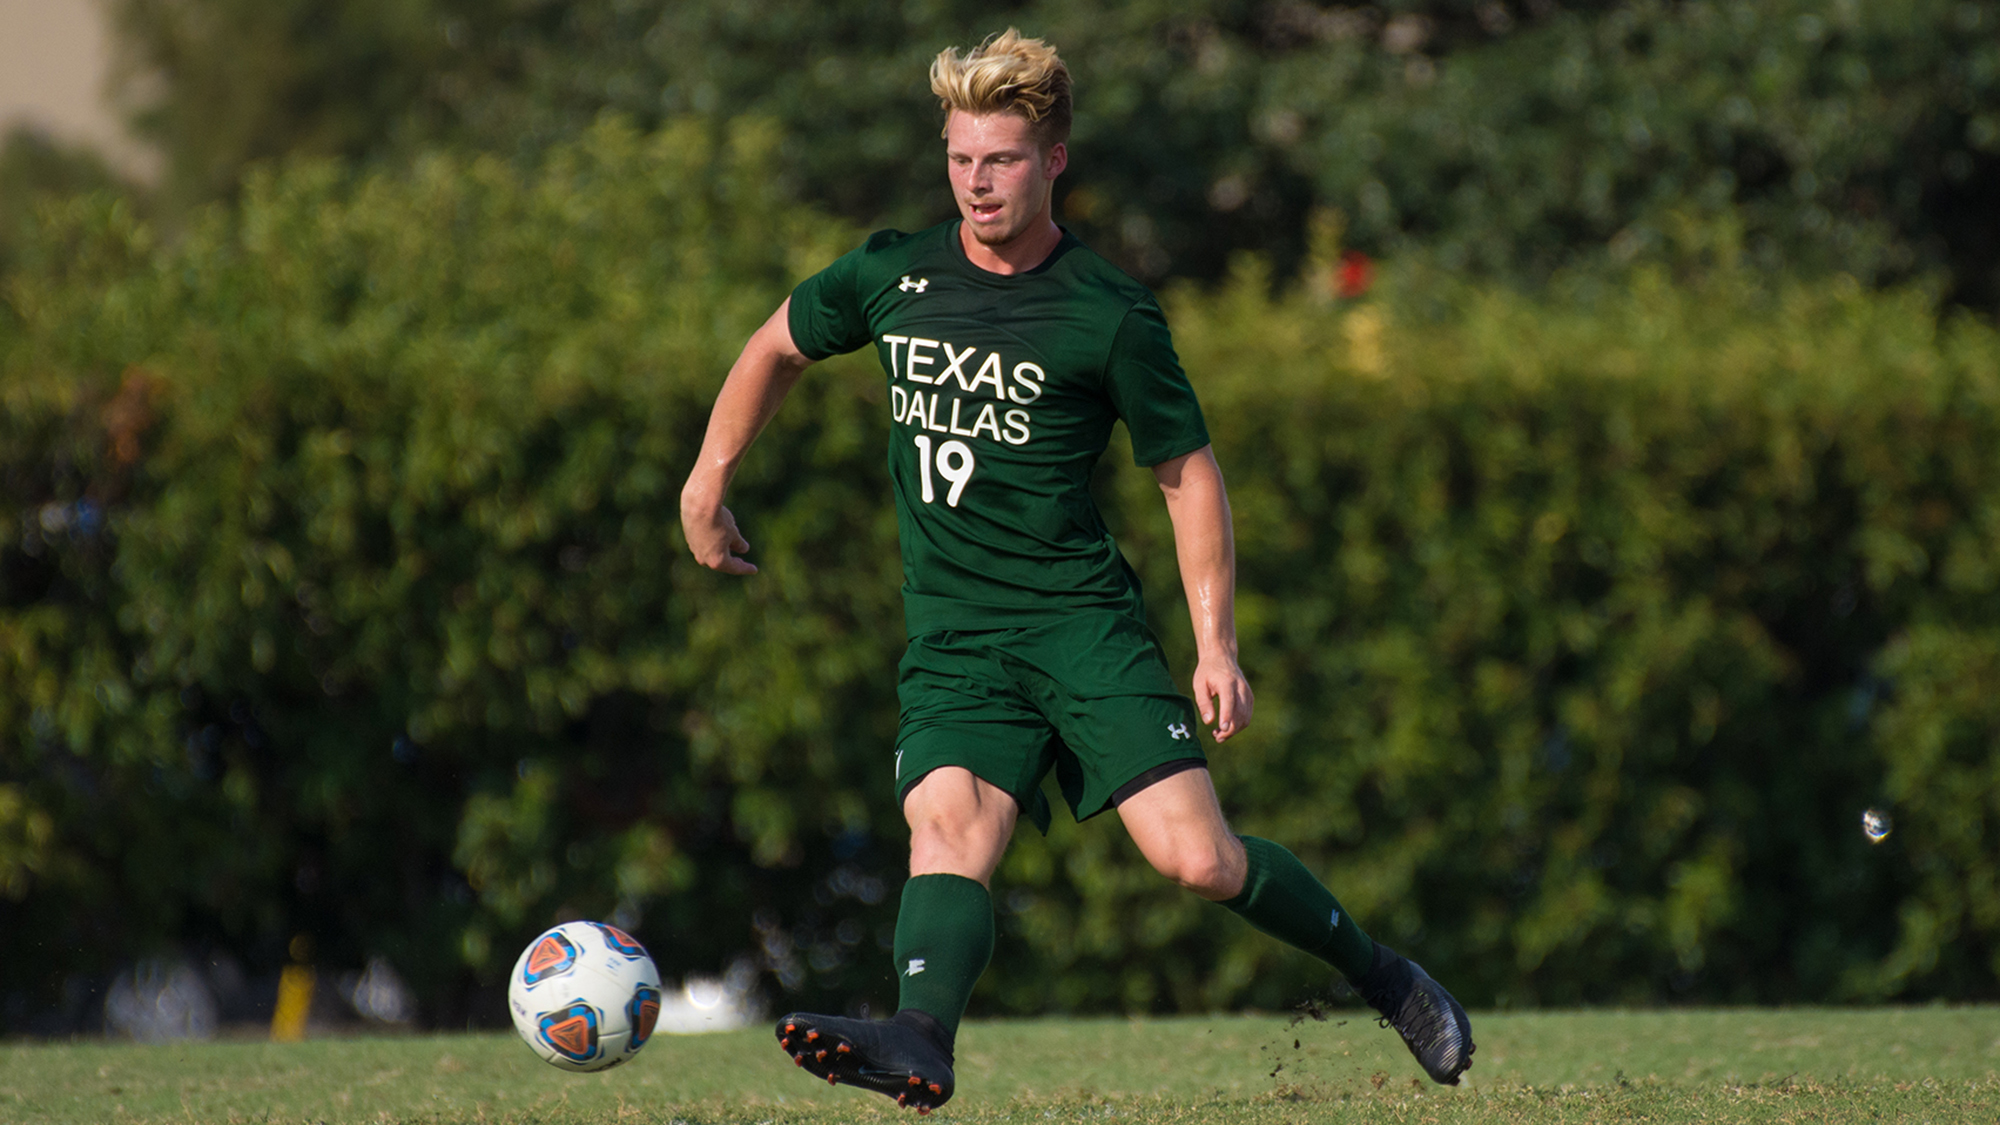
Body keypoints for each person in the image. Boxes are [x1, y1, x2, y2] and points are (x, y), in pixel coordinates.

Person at [678, 28, 1473, 1114]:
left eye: (998, 160)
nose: (974, 183)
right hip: (957, 636)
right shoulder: (892, 273)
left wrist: (1215, 647)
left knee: (1196, 860)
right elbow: (774, 344)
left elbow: (1187, 475)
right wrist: (706, 480)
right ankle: (920, 1038)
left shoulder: (1106, 311)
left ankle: (1384, 976)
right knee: (945, 826)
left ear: (1053, 160)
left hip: (1079, 628)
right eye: (959, 159)